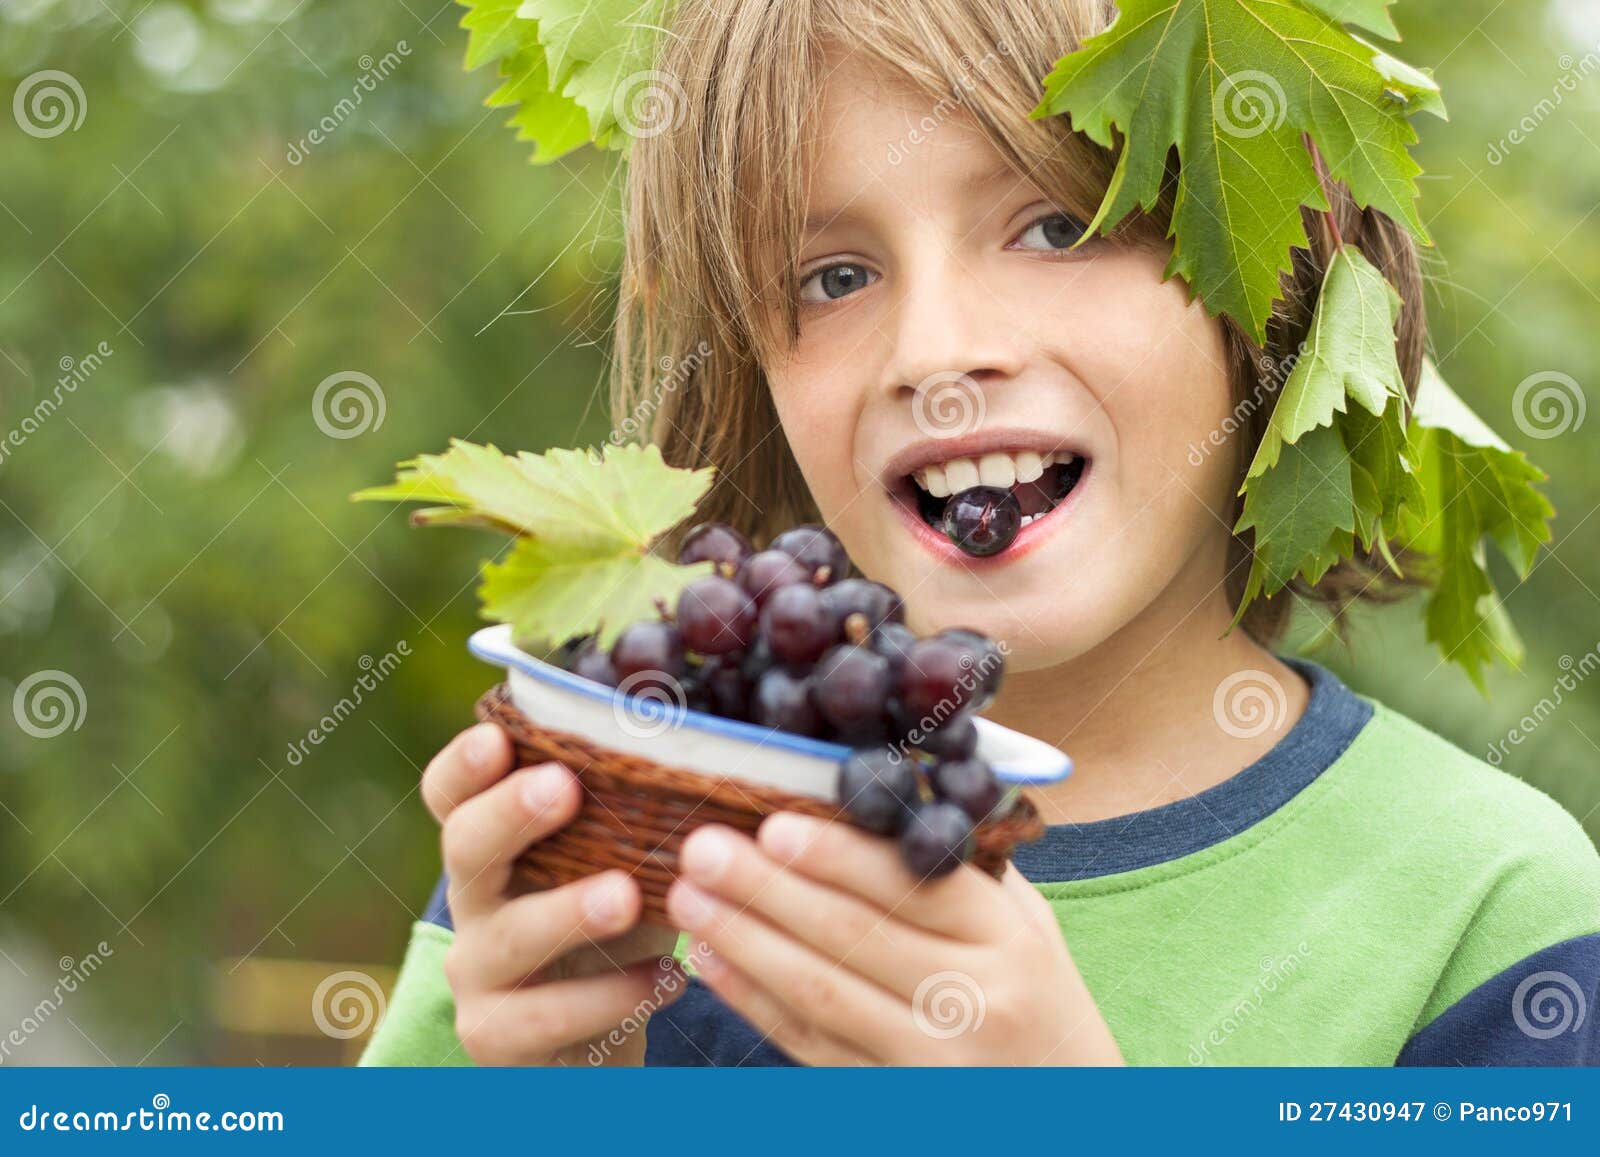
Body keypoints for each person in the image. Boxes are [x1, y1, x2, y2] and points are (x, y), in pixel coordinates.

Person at [360, 0, 1600, 1066]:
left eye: (1057, 226)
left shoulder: (1489, 913)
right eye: (834, 276)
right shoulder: (628, 844)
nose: (936, 353)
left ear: (1284, 278)